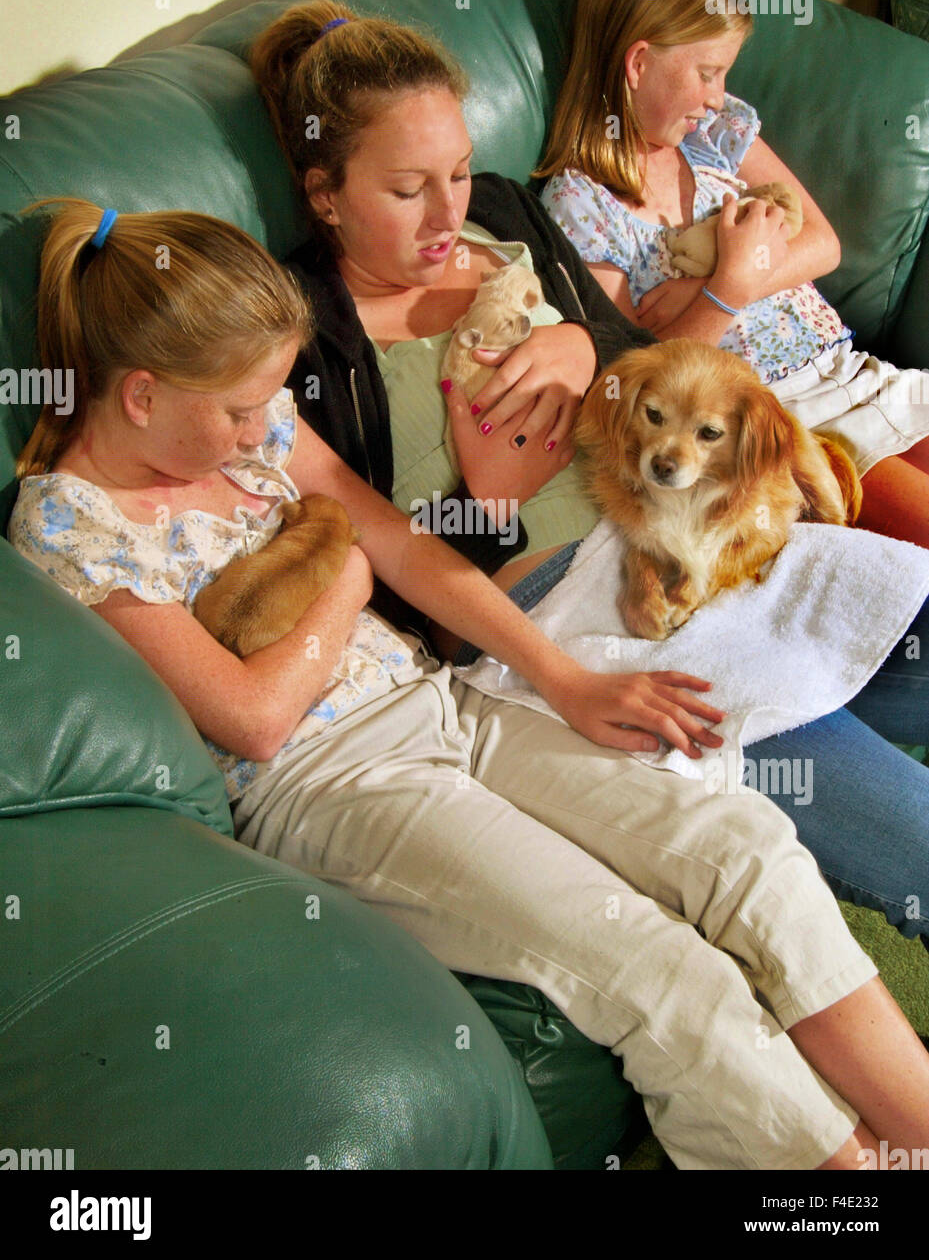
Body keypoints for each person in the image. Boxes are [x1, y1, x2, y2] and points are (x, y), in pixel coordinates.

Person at [9, 199, 929, 1171]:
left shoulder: (263, 427)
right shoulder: (72, 528)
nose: (257, 432)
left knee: (741, 847)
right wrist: (346, 582)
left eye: (265, 404)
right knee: (653, 966)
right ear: (142, 396)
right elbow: (258, 716)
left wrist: (562, 680)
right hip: (329, 784)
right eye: (239, 412)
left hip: (443, 702)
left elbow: (402, 545)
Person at [249, 0, 929, 957]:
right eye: (408, 190)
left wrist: (576, 347)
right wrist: (488, 506)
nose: (449, 211)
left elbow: (635, 354)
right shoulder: (304, 340)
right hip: (585, 614)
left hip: (710, 533)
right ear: (324, 193)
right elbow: (402, 600)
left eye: (454, 169)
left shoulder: (501, 210)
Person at [535, 0, 929, 549]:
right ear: (638, 63)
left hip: (853, 369)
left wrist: (732, 279)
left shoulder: (712, 134)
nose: (718, 95)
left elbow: (822, 242)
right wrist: (723, 292)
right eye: (708, 72)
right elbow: (635, 380)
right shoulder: (581, 204)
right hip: (789, 420)